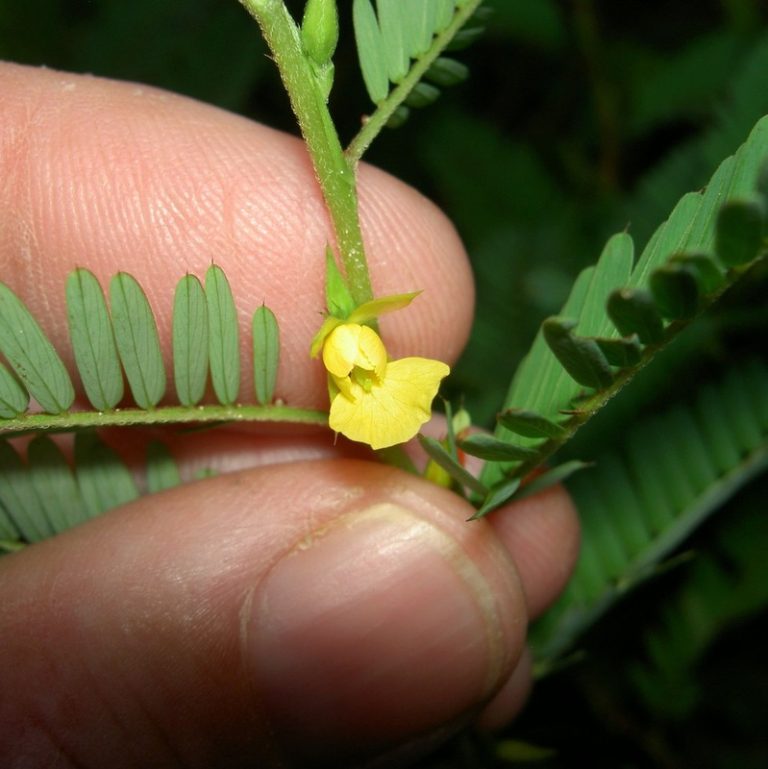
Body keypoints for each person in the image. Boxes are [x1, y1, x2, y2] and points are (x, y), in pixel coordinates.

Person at [0, 62, 580, 768]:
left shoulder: (376, 370)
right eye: (346, 360)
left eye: (357, 356)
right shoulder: (348, 375)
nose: (357, 364)